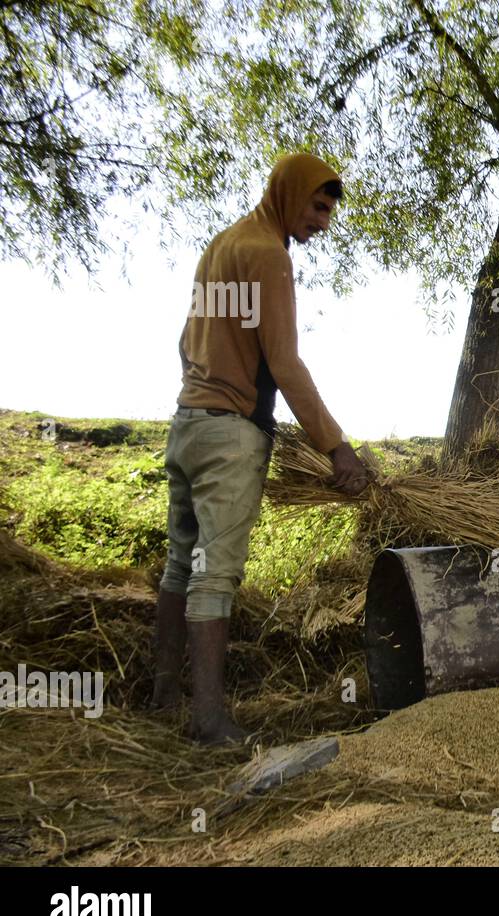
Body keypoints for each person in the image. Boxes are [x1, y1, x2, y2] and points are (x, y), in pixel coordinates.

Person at [150, 153, 368, 746]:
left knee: (181, 566)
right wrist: (336, 446)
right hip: (229, 437)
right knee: (214, 577)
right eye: (317, 207)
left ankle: (163, 692)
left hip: (187, 424)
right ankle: (209, 719)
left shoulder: (223, 245)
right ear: (289, 193)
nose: (322, 222)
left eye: (328, 212)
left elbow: (185, 339)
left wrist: (208, 385)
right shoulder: (269, 257)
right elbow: (285, 363)